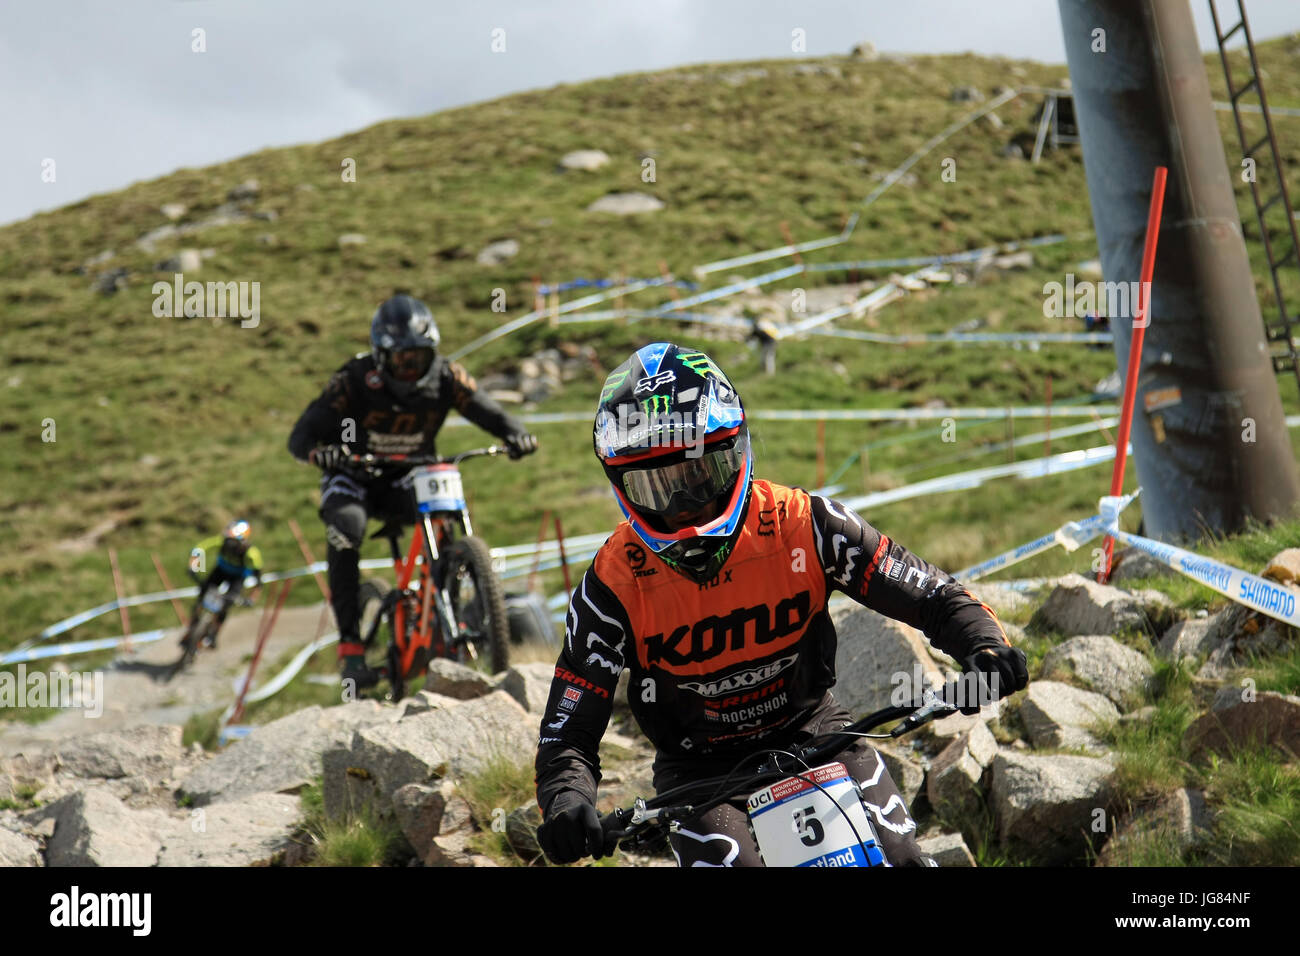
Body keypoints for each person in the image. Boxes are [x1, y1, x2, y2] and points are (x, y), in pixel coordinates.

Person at [533, 342, 1028, 867]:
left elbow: (932, 595)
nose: (687, 507)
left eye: (702, 474)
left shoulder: (806, 524)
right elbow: (569, 731)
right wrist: (567, 801)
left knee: (903, 860)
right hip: (700, 775)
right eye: (657, 486)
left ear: (738, 450)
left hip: (817, 734)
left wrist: (985, 646)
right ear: (620, 486)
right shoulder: (611, 586)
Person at [288, 294, 538, 689]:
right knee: (346, 531)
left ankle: (443, 604)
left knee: (444, 499)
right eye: (403, 360)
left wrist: (516, 435)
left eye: (419, 358)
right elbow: (300, 437)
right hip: (355, 476)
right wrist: (323, 453)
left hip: (411, 475)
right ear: (381, 357)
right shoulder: (354, 379)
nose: (411, 369)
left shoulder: (446, 377)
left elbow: (488, 411)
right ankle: (351, 646)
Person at [187, 518, 263, 648]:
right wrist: (193, 566)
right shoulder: (222, 541)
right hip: (220, 570)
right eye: (228, 541)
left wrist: (251, 598)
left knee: (226, 605)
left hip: (238, 577)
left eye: (233, 542)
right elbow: (199, 548)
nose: (229, 544)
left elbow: (258, 580)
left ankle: (213, 635)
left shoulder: (252, 554)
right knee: (203, 594)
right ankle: (192, 627)